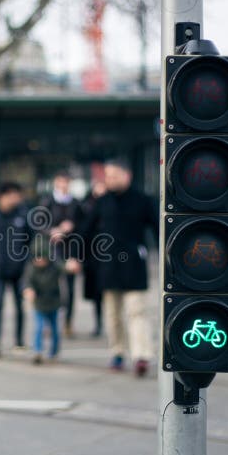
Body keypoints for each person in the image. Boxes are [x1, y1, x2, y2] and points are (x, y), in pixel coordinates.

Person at [80, 160, 158, 377]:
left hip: (134, 266)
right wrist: (78, 257)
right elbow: (85, 230)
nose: (110, 180)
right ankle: (117, 352)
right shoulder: (102, 201)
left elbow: (158, 229)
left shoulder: (142, 200)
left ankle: (141, 355)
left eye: (114, 176)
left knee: (137, 312)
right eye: (108, 176)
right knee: (113, 314)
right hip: (107, 267)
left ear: (127, 175)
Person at [0, 181, 32, 358]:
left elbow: (30, 240)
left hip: (19, 270)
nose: (15, 199)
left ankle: (19, 341)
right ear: (1, 197)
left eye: (17, 195)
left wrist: (26, 261)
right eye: (11, 195)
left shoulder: (23, 215)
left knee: (20, 306)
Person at [23, 239, 80, 365]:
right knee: (38, 328)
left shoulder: (54, 265)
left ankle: (54, 351)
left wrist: (70, 267)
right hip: (39, 303)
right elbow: (27, 282)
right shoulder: (31, 268)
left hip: (54, 303)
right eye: (37, 258)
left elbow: (64, 267)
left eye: (42, 258)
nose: (39, 261)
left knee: (55, 330)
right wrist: (28, 290)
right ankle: (37, 351)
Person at [39, 171, 81, 338]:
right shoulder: (47, 202)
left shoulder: (76, 204)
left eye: (66, 182)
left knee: (70, 289)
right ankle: (50, 322)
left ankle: (68, 323)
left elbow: (84, 225)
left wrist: (72, 226)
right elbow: (39, 225)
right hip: (52, 251)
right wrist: (52, 232)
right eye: (60, 182)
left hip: (70, 250)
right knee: (50, 287)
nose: (63, 185)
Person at [80, 180, 107, 337]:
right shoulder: (87, 205)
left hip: (109, 256)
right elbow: (83, 231)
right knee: (96, 294)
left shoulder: (111, 203)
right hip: (93, 256)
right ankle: (98, 323)